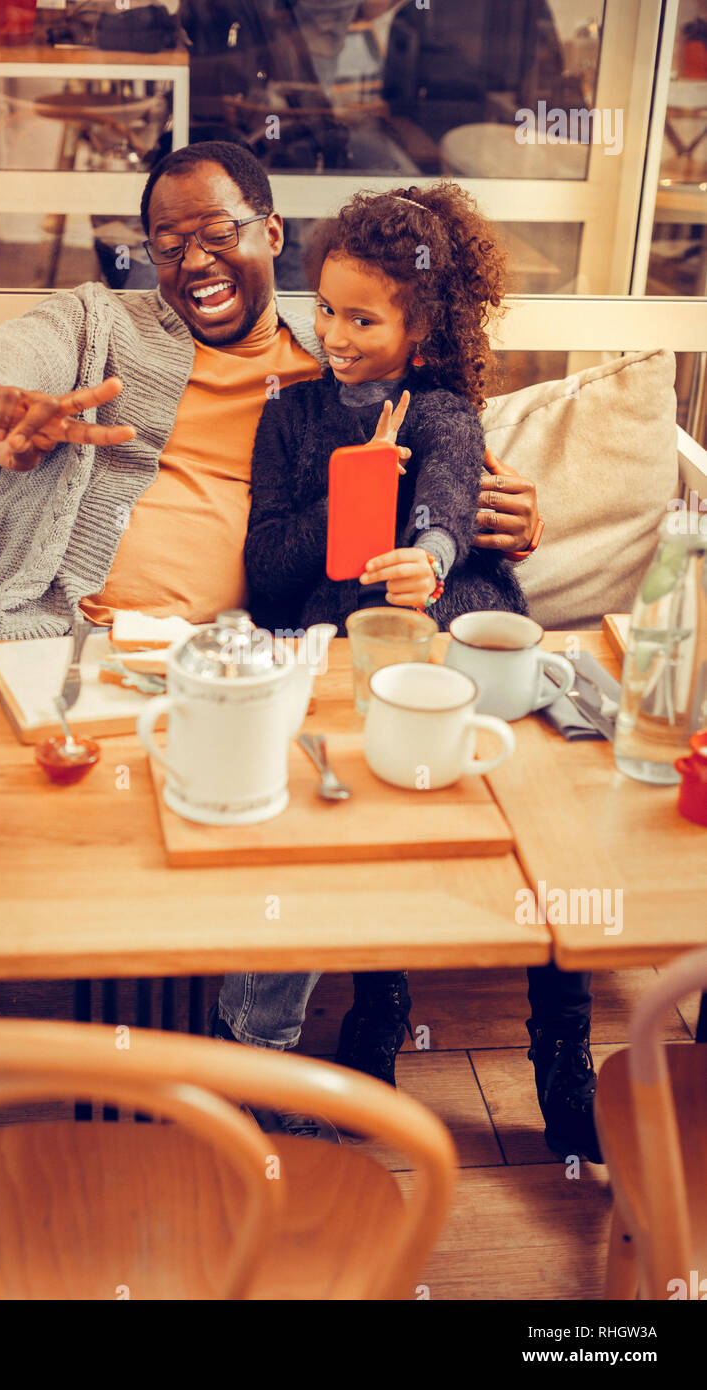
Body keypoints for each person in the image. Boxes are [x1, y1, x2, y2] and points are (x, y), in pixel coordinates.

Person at [0, 142, 546, 1251]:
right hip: (38, 638)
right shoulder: (102, 326)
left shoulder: (334, 386)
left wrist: (490, 518)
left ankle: (227, 1151)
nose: (192, 261)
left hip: (211, 673)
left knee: (288, 846)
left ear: (271, 235)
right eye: (168, 244)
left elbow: (436, 469)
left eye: (218, 233)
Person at [239, 182, 600, 1166]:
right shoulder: (288, 414)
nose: (335, 333)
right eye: (326, 309)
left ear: (418, 327)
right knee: (370, 806)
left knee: (541, 830)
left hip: (465, 627)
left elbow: (445, 508)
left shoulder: (445, 410)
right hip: (353, 641)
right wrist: (360, 476)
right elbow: (267, 576)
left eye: (363, 317)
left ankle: (561, 1052)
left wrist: (427, 554)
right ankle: (378, 1006)